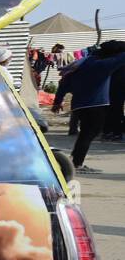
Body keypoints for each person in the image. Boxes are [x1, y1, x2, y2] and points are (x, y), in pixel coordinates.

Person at [53, 44, 125, 173]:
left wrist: (57, 101)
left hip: (79, 105)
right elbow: (121, 58)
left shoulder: (79, 65)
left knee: (85, 134)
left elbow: (64, 84)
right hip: (95, 105)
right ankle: (77, 163)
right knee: (89, 134)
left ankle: (75, 161)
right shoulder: (103, 65)